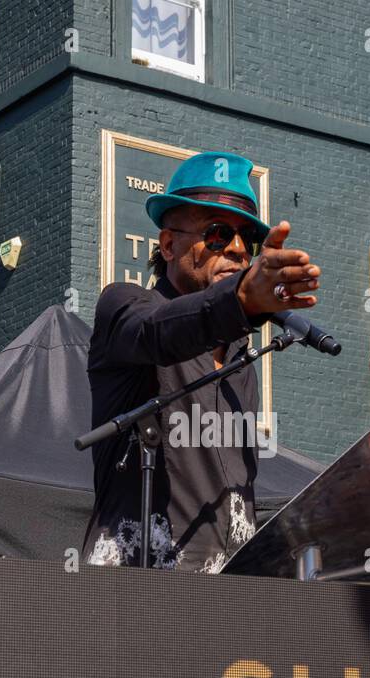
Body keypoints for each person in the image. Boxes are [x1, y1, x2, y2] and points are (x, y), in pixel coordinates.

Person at [84, 150, 321, 572]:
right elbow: (159, 331)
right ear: (169, 243)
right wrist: (238, 303)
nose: (234, 249)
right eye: (216, 234)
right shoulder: (124, 306)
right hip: (134, 594)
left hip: (227, 604)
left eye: (244, 240)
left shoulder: (240, 357)